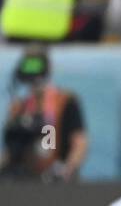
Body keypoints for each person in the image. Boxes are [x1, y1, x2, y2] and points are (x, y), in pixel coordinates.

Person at [1, 48, 87, 181]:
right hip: (24, 178)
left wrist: (68, 169)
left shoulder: (66, 102)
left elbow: (80, 142)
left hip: (57, 176)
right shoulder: (19, 108)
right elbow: (10, 151)